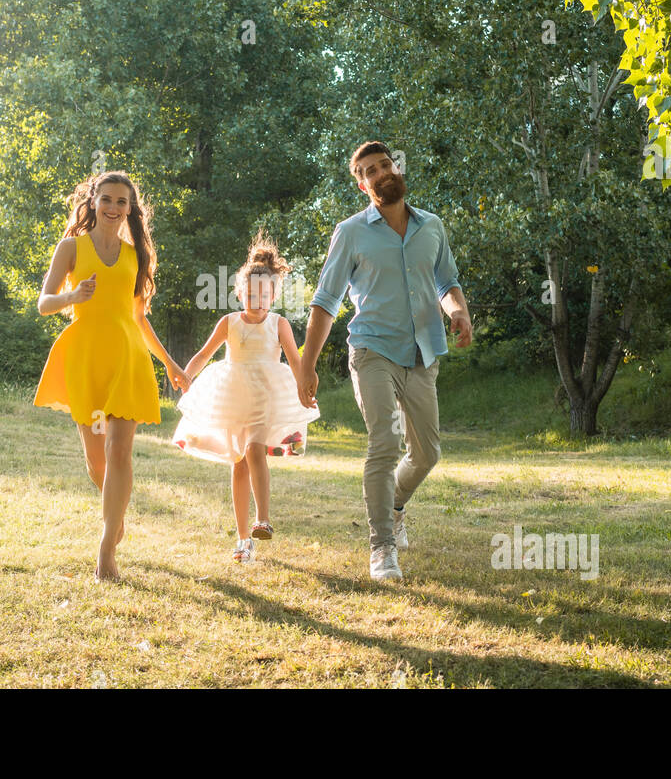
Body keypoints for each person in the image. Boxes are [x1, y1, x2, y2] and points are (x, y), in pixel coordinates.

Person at [296, 141, 473, 581]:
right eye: (368, 171)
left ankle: (394, 506)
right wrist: (307, 363)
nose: (379, 174)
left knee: (427, 453)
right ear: (362, 185)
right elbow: (325, 301)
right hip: (372, 350)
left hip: (422, 352)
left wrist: (457, 311)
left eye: (384, 165)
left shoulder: (431, 226)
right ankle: (382, 548)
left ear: (396, 168)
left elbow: (446, 281)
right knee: (384, 444)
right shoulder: (351, 232)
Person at [34, 171, 190, 581]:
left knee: (120, 451)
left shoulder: (135, 255)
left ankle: (106, 550)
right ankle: (114, 515)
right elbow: (44, 303)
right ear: (92, 201)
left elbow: (138, 318)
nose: (113, 208)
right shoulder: (70, 248)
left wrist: (170, 363)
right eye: (107, 199)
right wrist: (71, 296)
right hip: (85, 356)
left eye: (122, 202)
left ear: (130, 209)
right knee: (97, 461)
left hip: (127, 357)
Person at [173, 234, 320, 563]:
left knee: (255, 449)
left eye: (264, 294)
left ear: (273, 295)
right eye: (250, 293)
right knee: (238, 464)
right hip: (234, 397)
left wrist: (305, 387)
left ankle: (263, 519)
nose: (257, 299)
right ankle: (243, 541)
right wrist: (185, 374)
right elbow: (203, 355)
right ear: (240, 293)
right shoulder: (229, 322)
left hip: (266, 396)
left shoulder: (279, 324)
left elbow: (297, 364)